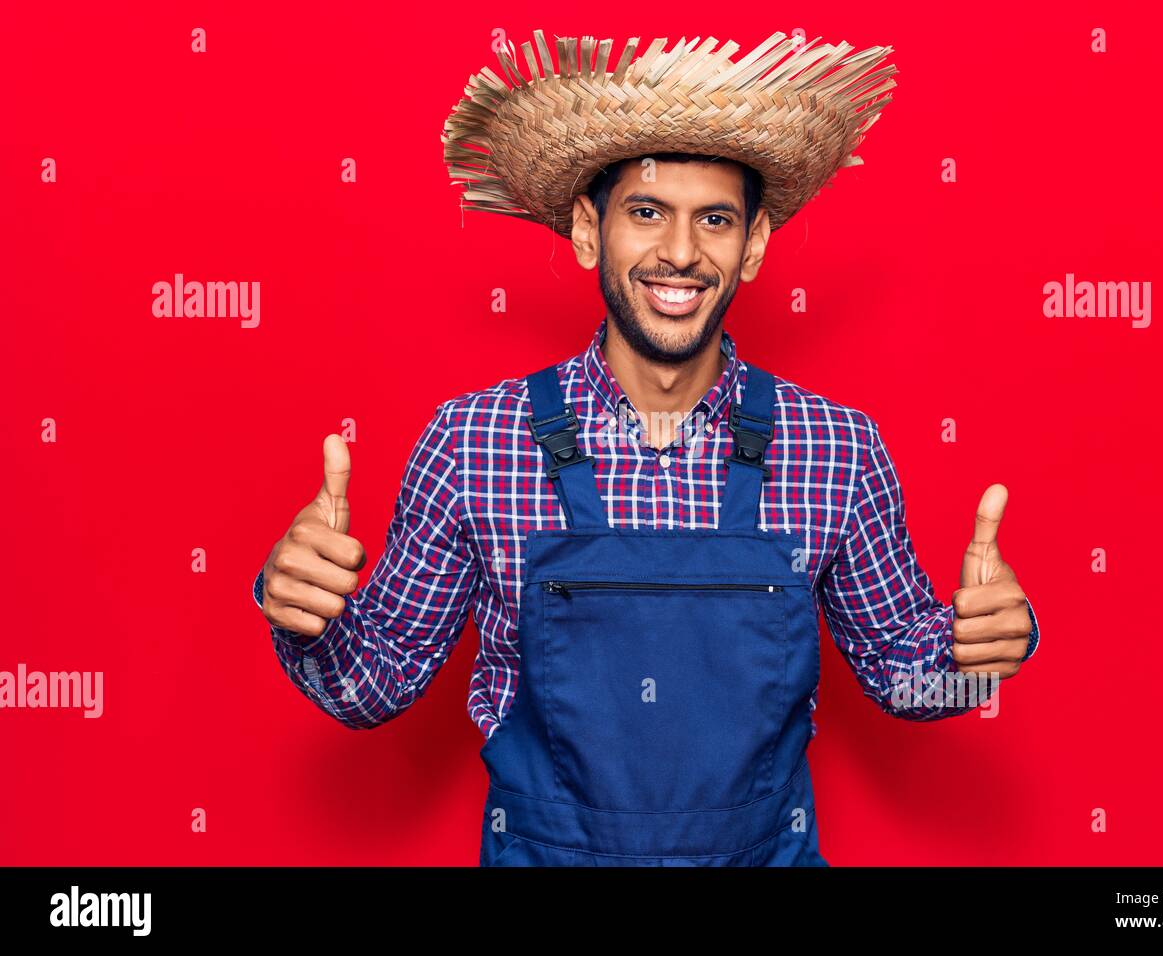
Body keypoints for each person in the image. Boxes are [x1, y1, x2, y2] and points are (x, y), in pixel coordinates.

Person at [254, 29, 1041, 866]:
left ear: (755, 245)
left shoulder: (836, 447)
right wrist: (307, 616)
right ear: (589, 231)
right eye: (646, 213)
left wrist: (979, 655)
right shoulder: (473, 441)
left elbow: (901, 677)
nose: (679, 252)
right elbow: (373, 689)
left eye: (714, 219)